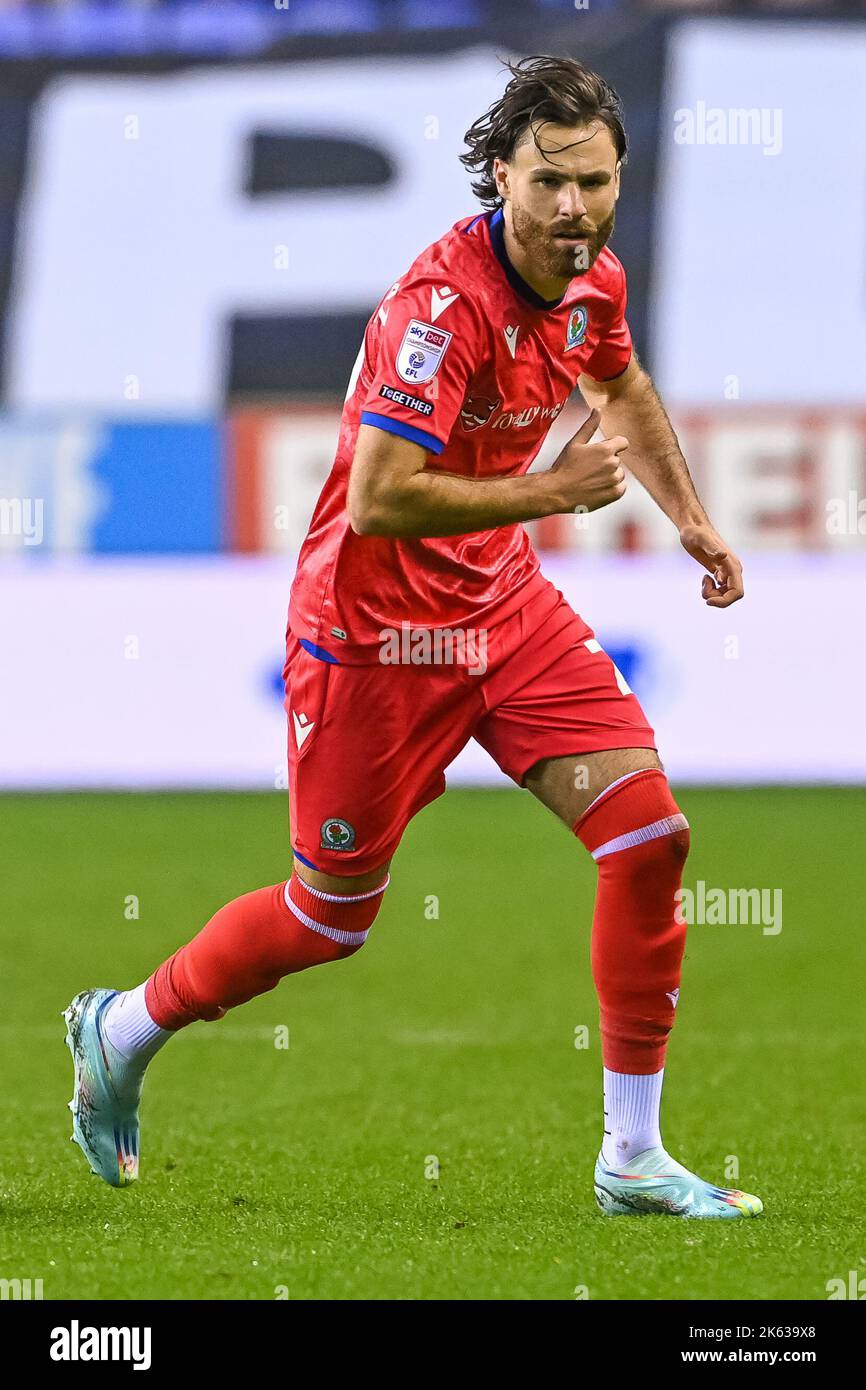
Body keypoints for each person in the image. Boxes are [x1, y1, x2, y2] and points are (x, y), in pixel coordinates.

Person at [64, 54, 761, 1218]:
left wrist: (687, 519)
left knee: (647, 838)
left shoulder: (593, 279)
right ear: (501, 174)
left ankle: (630, 1157)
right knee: (328, 917)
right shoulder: (438, 311)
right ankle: (122, 1026)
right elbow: (383, 497)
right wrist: (549, 493)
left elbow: (619, 385)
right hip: (374, 639)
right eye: (548, 181)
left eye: (594, 182)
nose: (573, 207)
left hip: (503, 614)